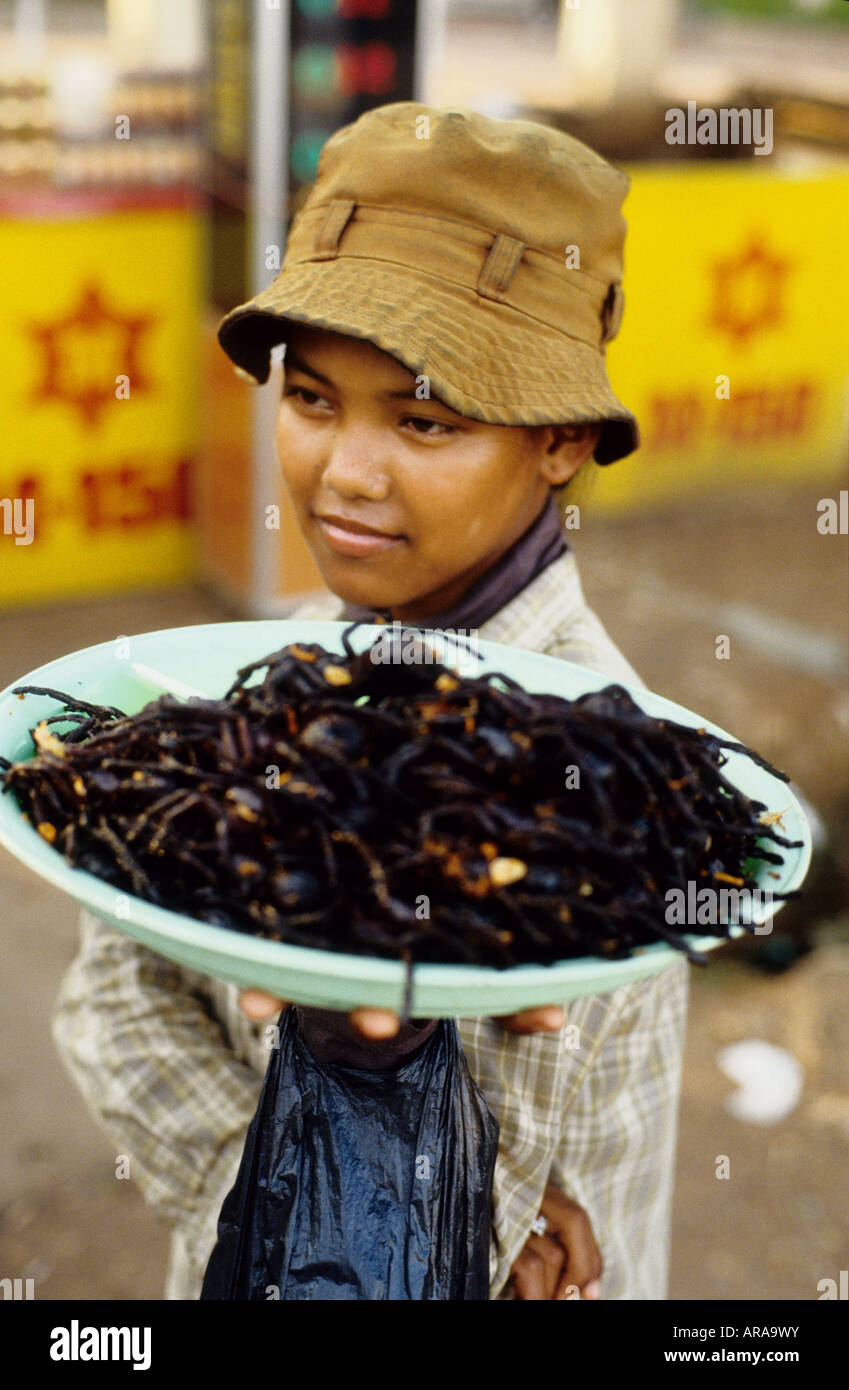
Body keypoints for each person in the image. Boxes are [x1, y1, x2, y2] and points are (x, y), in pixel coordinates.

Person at [52, 102, 689, 1301]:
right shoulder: (276, 671)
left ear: (559, 439)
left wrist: (340, 1080)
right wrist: (249, 1169)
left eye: (425, 420)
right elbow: (107, 992)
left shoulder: (607, 785)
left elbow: (410, 1268)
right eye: (310, 399)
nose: (344, 473)